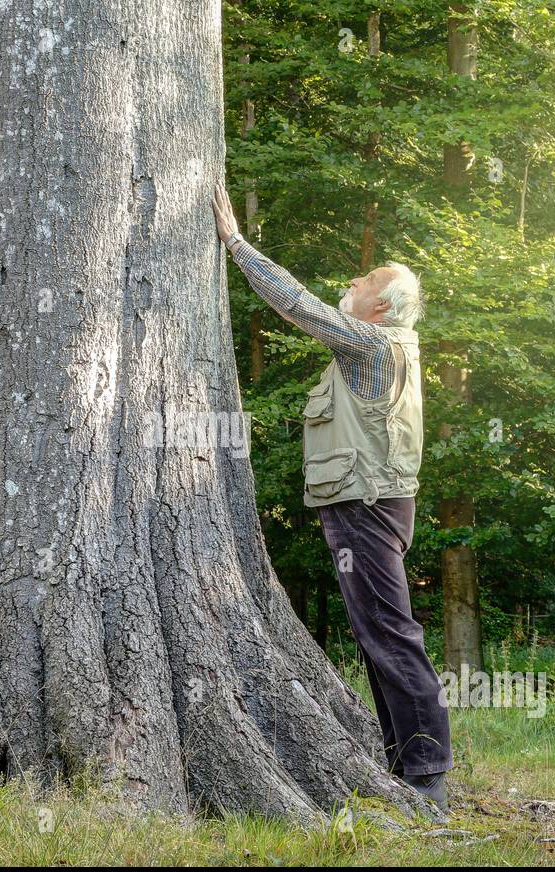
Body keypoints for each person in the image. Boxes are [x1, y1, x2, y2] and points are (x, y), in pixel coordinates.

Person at [211, 183, 453, 812]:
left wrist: (237, 245)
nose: (356, 277)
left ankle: (426, 774)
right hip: (371, 504)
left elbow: (301, 307)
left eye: (368, 277)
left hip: (368, 507)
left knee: (391, 634)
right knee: (378, 631)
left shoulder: (373, 344)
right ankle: (406, 763)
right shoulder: (389, 345)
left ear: (382, 306)